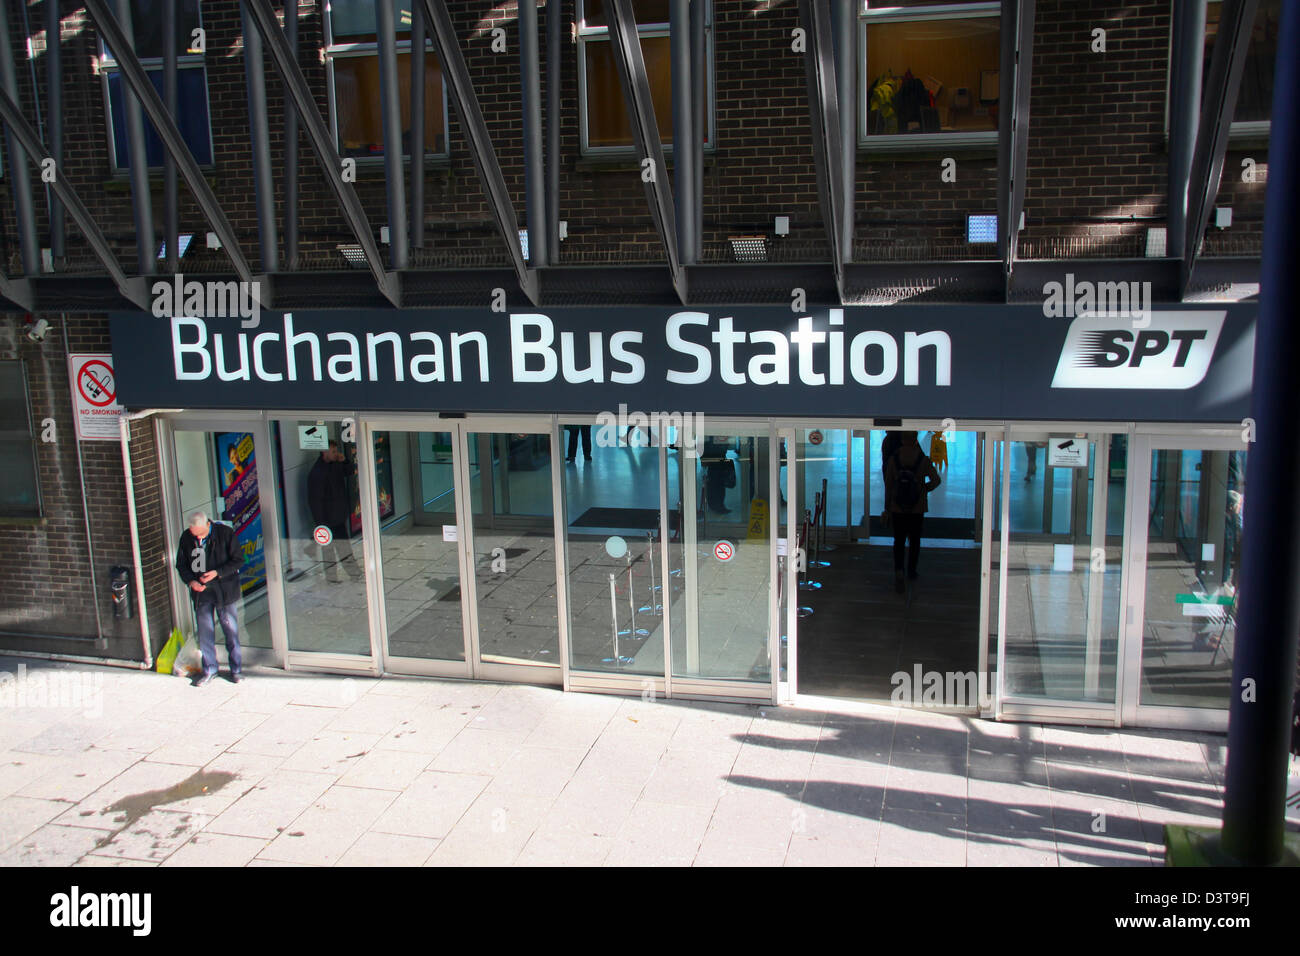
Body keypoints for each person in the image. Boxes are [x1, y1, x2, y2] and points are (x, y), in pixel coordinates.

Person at [174, 511, 244, 685]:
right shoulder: (187, 538)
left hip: (224, 591)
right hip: (202, 592)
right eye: (194, 534)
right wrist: (191, 581)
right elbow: (181, 564)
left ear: (207, 525)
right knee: (205, 633)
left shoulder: (225, 534)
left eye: (200, 534)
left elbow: (238, 560)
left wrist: (217, 573)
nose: (197, 537)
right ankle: (210, 669)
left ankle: (236, 670)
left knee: (231, 632)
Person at [884, 430, 942, 593]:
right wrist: (923, 489)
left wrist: (887, 507)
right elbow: (936, 480)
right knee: (915, 541)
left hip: (897, 507)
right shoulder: (922, 459)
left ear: (902, 440)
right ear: (915, 439)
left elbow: (888, 486)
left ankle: (898, 571)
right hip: (917, 508)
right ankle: (912, 571)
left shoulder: (893, 460)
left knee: (899, 541)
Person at [308, 440, 363, 583]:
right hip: (327, 518)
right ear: (324, 452)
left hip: (337, 515)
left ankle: (352, 574)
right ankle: (337, 577)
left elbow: (350, 471)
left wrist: (345, 460)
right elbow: (315, 500)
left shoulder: (336, 465)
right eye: (333, 451)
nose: (336, 454)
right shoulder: (317, 473)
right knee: (331, 550)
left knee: (342, 547)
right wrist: (320, 523)